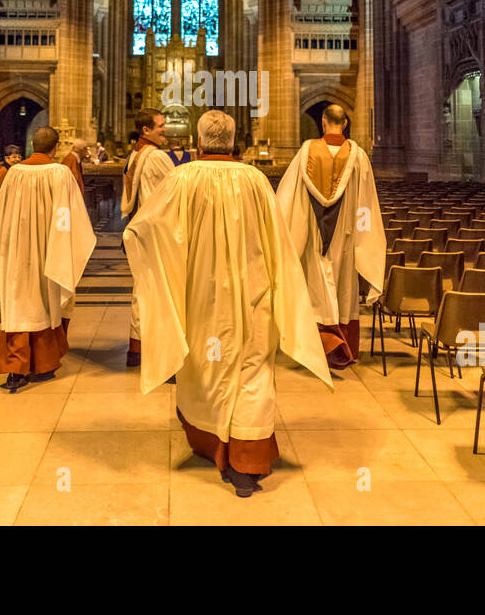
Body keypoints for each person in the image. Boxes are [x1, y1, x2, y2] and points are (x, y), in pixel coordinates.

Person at [124, 110, 331, 497]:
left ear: (199, 143)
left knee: (207, 368)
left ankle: (212, 444)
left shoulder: (181, 178)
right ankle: (247, 462)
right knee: (253, 374)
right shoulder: (255, 180)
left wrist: (147, 255)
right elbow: (279, 241)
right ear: (234, 141)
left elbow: (146, 228)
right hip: (256, 295)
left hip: (201, 298)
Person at [0, 127, 96, 393]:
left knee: (19, 304)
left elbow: (4, 216)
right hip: (48, 251)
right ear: (55, 148)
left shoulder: (13, 174)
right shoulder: (60, 174)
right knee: (45, 302)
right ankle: (43, 363)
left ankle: (16, 367)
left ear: (32, 145)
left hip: (17, 254)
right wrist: (63, 244)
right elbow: (68, 216)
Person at [276, 104, 386, 369]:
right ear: (345, 123)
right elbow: (366, 205)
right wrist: (362, 238)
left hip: (313, 239)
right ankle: (343, 348)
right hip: (345, 240)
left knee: (315, 290)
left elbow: (286, 199)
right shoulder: (359, 157)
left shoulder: (305, 153)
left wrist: (290, 233)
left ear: (323, 123)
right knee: (343, 291)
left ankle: (316, 349)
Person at [119, 108, 175, 367]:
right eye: (161, 125)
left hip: (139, 231)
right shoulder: (157, 158)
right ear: (146, 130)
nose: (165, 129)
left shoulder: (135, 155)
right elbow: (173, 196)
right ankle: (158, 349)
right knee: (160, 292)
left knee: (142, 290)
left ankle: (137, 348)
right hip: (156, 234)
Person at [0, 144, 24, 228]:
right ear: (7, 158)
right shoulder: (3, 171)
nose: (17, 159)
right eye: (14, 157)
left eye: (19, 157)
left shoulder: (12, 170)